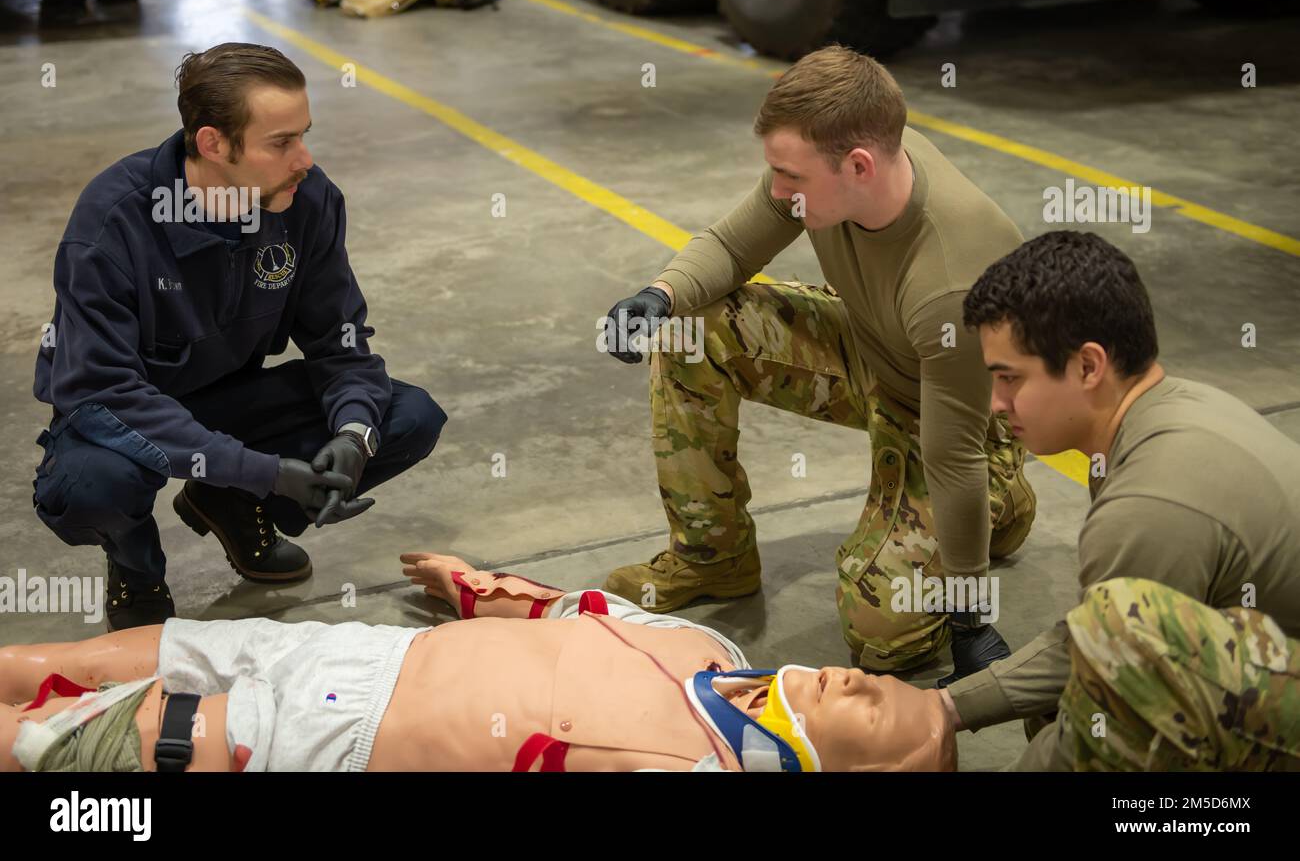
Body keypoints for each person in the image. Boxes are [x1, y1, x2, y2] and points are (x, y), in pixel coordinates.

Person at [601, 44, 1035, 685]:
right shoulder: (841, 157)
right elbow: (731, 242)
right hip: (871, 343)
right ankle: (712, 556)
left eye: (790, 177)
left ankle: (1004, 500)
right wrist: (659, 295)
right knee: (691, 328)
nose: (778, 190)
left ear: (858, 166)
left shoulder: (950, 282)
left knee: (883, 634)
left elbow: (954, 458)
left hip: (956, 422)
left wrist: (970, 618)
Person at [5, 558, 1294, 772]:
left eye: (884, 722)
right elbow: (572, 604)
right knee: (43, 658)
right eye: (884, 681)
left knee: (56, 758)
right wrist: (474, 580)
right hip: (361, 646)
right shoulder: (712, 647)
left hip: (293, 747)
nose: (864, 684)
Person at [31, 42, 447, 631]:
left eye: (304, 134)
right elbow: (101, 392)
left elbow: (341, 343)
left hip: (230, 399)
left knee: (406, 416)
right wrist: (264, 469)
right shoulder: (113, 223)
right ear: (213, 144)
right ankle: (136, 565)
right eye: (280, 143)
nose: (304, 158)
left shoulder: (306, 201)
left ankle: (226, 498)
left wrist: (354, 436)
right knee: (92, 486)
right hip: (119, 416)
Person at [941, 230, 1300, 769]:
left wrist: (937, 716)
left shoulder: (1148, 506)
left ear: (1088, 366)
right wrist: (950, 707)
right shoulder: (1178, 409)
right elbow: (1094, 637)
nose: (996, 403)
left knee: (1083, 723)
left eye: (1010, 379)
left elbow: (1107, 675)